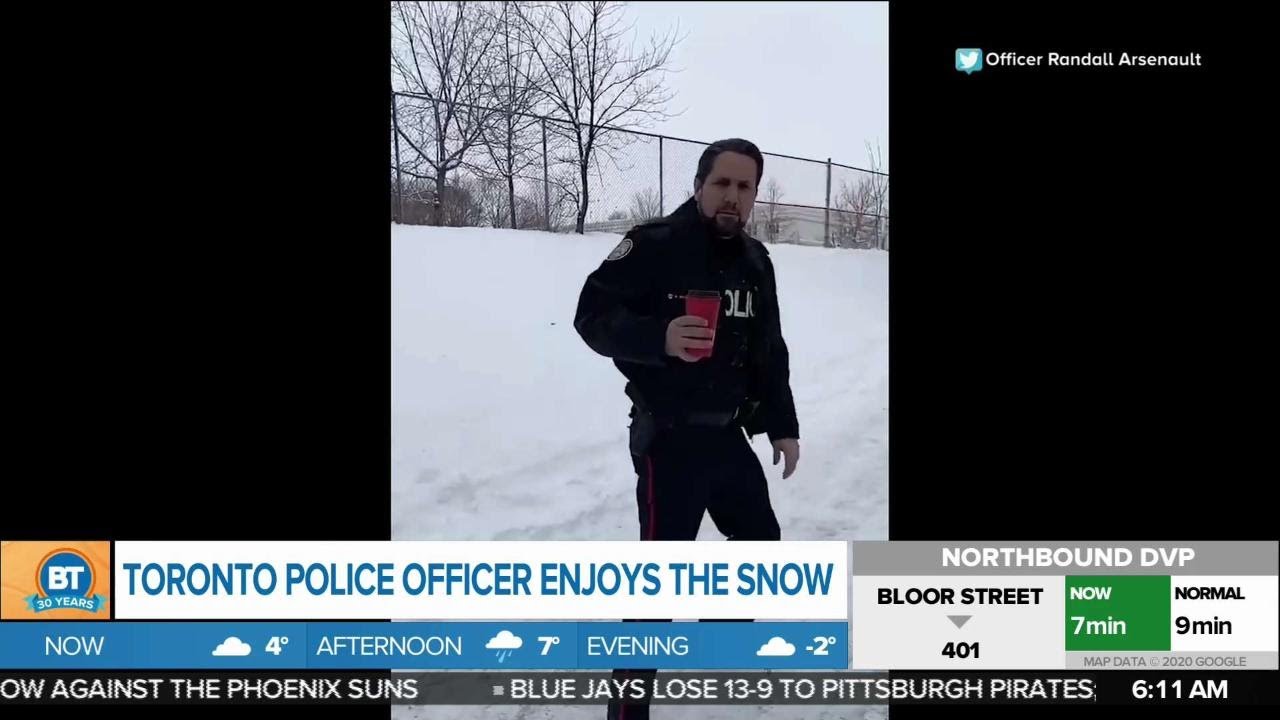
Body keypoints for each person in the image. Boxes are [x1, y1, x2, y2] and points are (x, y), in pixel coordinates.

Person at [574, 138, 800, 720]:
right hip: (668, 439)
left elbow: (769, 350)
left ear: (753, 196)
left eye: (744, 187)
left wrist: (781, 425)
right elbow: (592, 316)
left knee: (759, 545)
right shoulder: (654, 246)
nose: (732, 196)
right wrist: (659, 339)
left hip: (726, 435)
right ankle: (628, 712)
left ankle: (716, 637)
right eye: (722, 183)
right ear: (700, 185)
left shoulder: (756, 261)